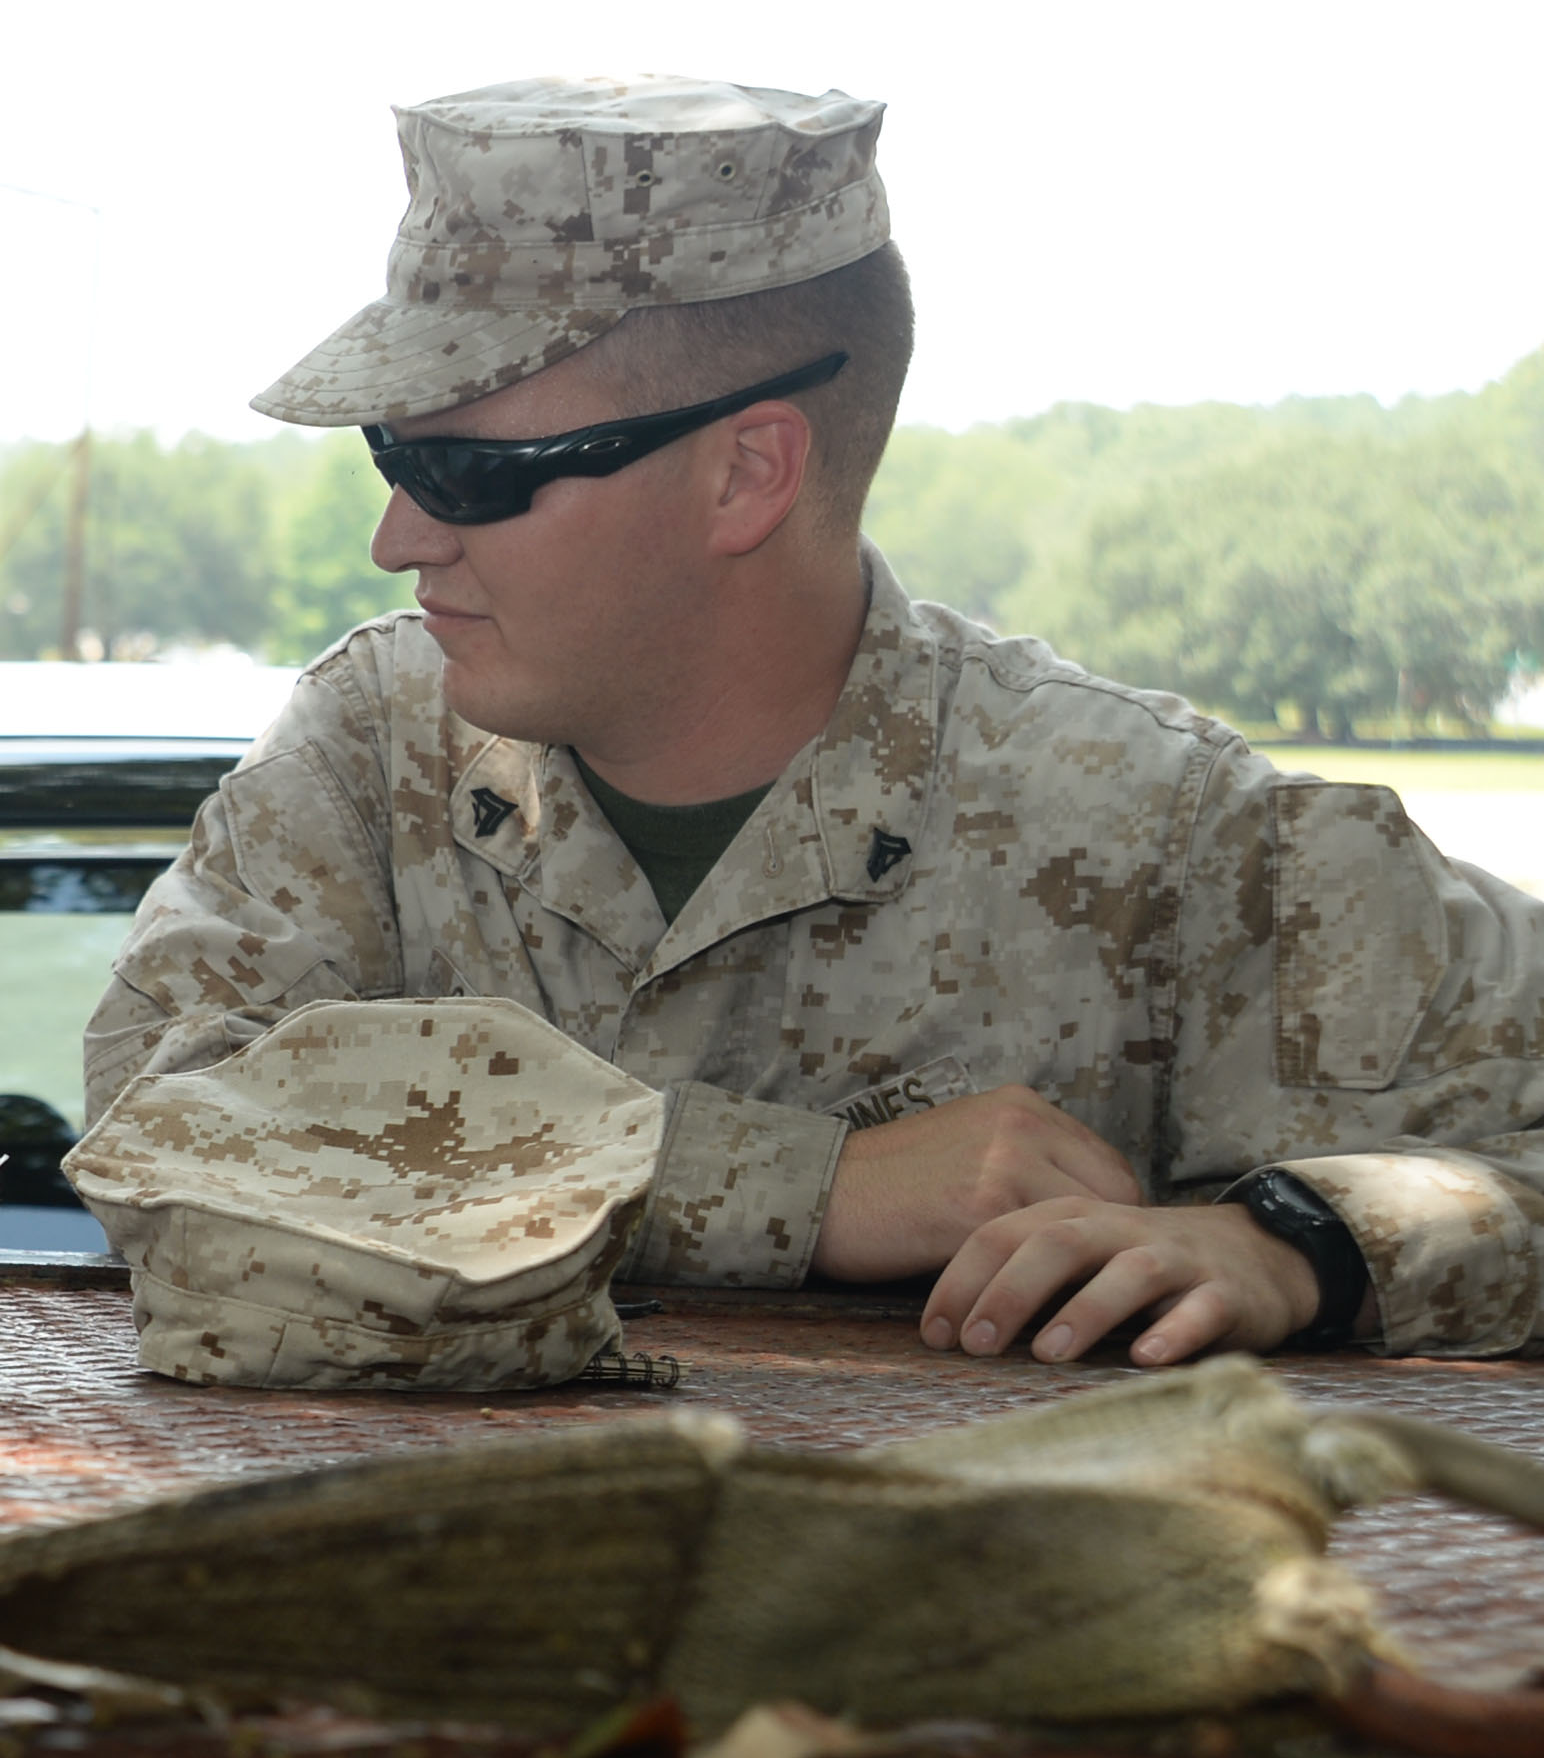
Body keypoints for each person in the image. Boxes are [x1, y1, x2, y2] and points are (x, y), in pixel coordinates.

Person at [92, 73, 1544, 1365]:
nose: (400, 536)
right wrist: (810, 1193)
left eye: (471, 472)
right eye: (388, 455)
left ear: (747, 475)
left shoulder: (1165, 832)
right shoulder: (367, 750)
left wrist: (1302, 1243)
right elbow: (158, 1133)